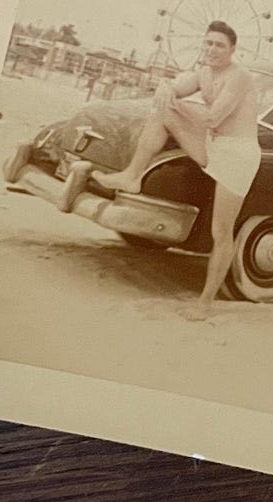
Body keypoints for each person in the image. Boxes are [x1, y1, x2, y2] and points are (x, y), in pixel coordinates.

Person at [93, 21, 261, 312]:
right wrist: (166, 88)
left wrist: (172, 103)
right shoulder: (204, 73)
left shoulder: (240, 77)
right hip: (214, 146)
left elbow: (213, 118)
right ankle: (132, 176)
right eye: (209, 43)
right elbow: (177, 87)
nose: (212, 49)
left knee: (221, 230)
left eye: (220, 45)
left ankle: (205, 302)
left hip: (238, 155)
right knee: (162, 112)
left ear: (233, 49)